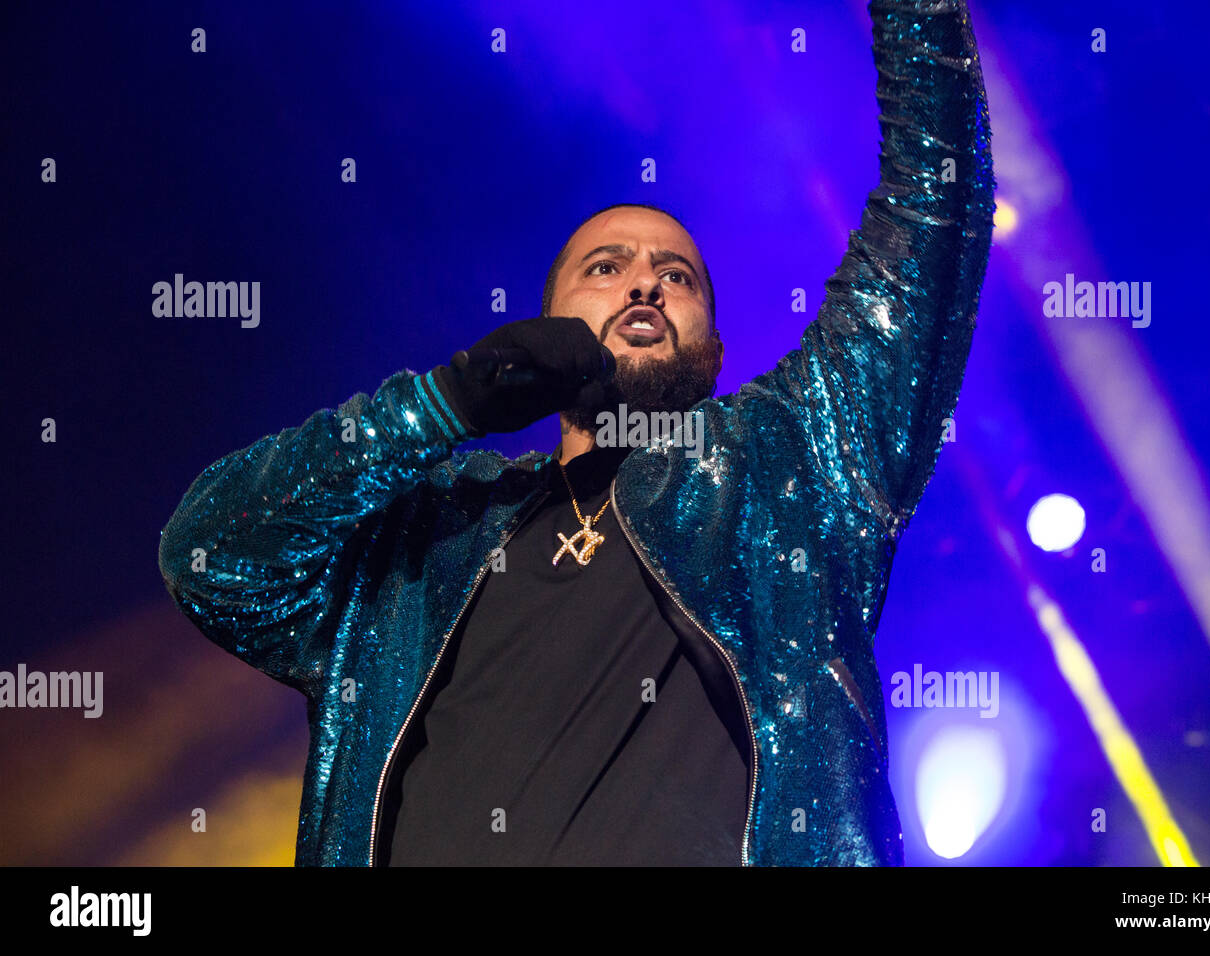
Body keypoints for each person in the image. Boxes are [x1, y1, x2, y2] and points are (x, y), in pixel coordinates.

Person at [158, 0, 994, 866]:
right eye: (606, 269)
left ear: (712, 347)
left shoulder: (786, 462)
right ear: (547, 320)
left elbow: (933, 211)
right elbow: (212, 557)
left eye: (677, 278)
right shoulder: (431, 538)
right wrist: (444, 404)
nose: (644, 288)